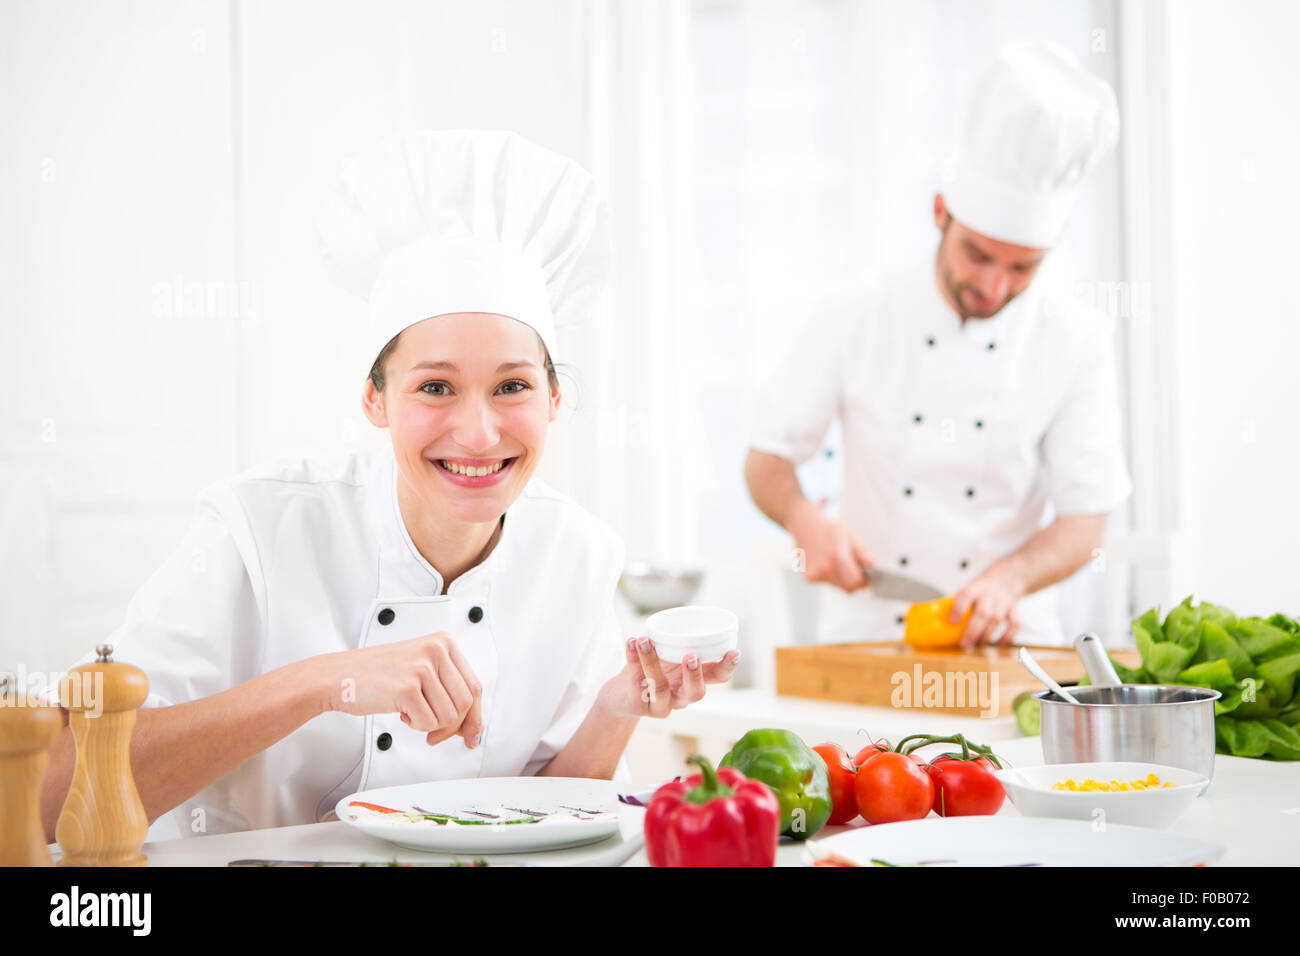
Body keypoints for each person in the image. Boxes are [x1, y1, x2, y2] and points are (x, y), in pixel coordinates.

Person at [40, 130, 738, 840]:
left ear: (555, 399)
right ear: (375, 400)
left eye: (513, 386)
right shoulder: (258, 527)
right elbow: (53, 791)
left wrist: (614, 709)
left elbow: (541, 826)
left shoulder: (577, 552)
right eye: (435, 386)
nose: (477, 433)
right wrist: (328, 682)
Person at [745, 43, 1131, 649]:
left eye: (1022, 268)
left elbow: (1087, 520)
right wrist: (804, 520)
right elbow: (767, 458)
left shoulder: (1076, 339)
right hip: (869, 630)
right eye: (977, 253)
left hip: (1012, 636)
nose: (992, 285)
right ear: (940, 212)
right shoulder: (855, 312)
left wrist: (1011, 578)